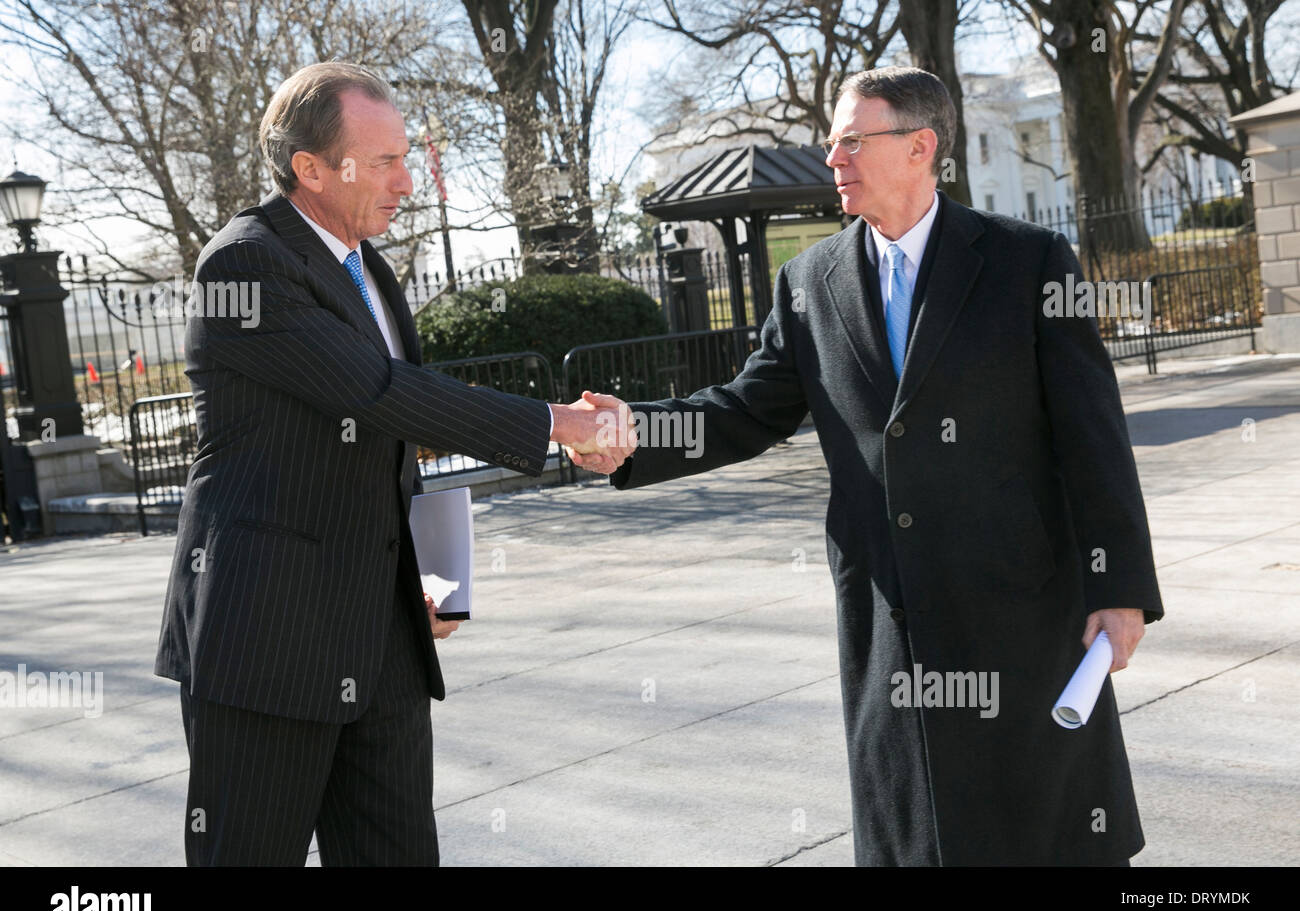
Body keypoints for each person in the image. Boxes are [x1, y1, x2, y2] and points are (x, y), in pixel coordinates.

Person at [574, 66, 1163, 866]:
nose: (833, 157)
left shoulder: (1031, 263)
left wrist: (1121, 588)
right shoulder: (809, 282)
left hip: (1022, 615)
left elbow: (1093, 434)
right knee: (917, 837)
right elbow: (745, 411)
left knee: (1046, 838)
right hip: (892, 625)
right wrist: (635, 430)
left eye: (852, 139)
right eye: (831, 141)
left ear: (920, 146)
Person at [154, 62, 633, 866]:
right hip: (267, 645)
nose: (407, 181)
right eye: (384, 162)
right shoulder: (243, 266)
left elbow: (397, 439)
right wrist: (559, 424)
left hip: (382, 644)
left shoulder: (368, 267)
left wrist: (442, 583)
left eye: (407, 157)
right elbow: (376, 393)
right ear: (309, 168)